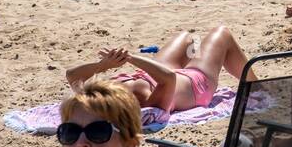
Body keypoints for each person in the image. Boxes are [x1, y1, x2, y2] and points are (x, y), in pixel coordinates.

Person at [66, 26, 250, 114]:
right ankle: (256, 85)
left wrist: (103, 65)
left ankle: (198, 55)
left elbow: (72, 75)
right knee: (221, 33)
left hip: (156, 73)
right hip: (195, 83)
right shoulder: (145, 102)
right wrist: (129, 58)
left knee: (189, 38)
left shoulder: (99, 95)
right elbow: (169, 78)